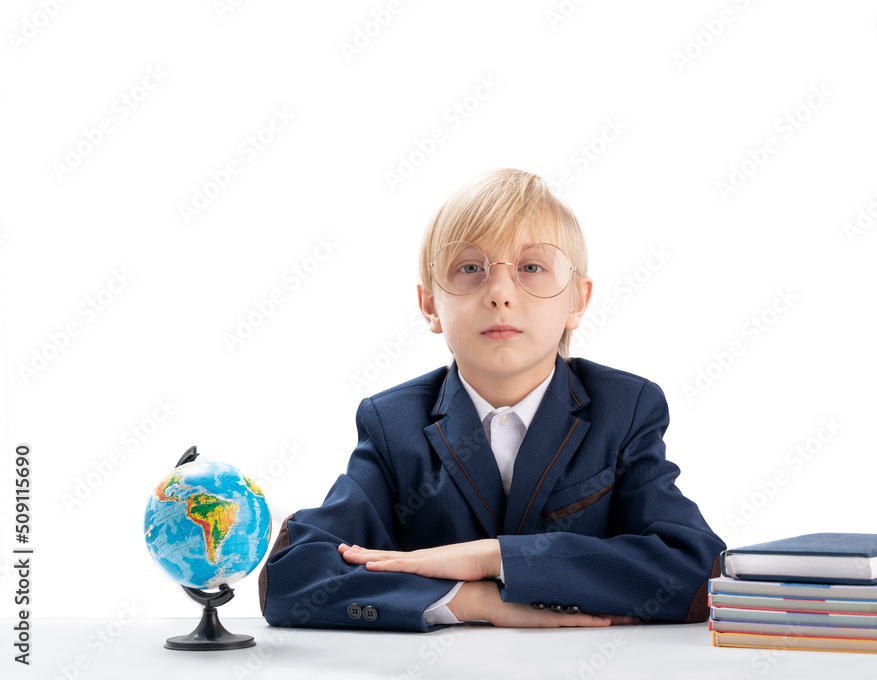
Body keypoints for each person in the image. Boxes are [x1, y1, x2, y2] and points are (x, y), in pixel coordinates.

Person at [258, 168, 725, 632]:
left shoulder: (625, 409)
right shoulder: (392, 423)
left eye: (531, 267)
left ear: (576, 303)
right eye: (470, 269)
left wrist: (497, 559)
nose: (500, 293)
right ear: (430, 306)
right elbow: (291, 580)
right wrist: (468, 598)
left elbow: (699, 572)